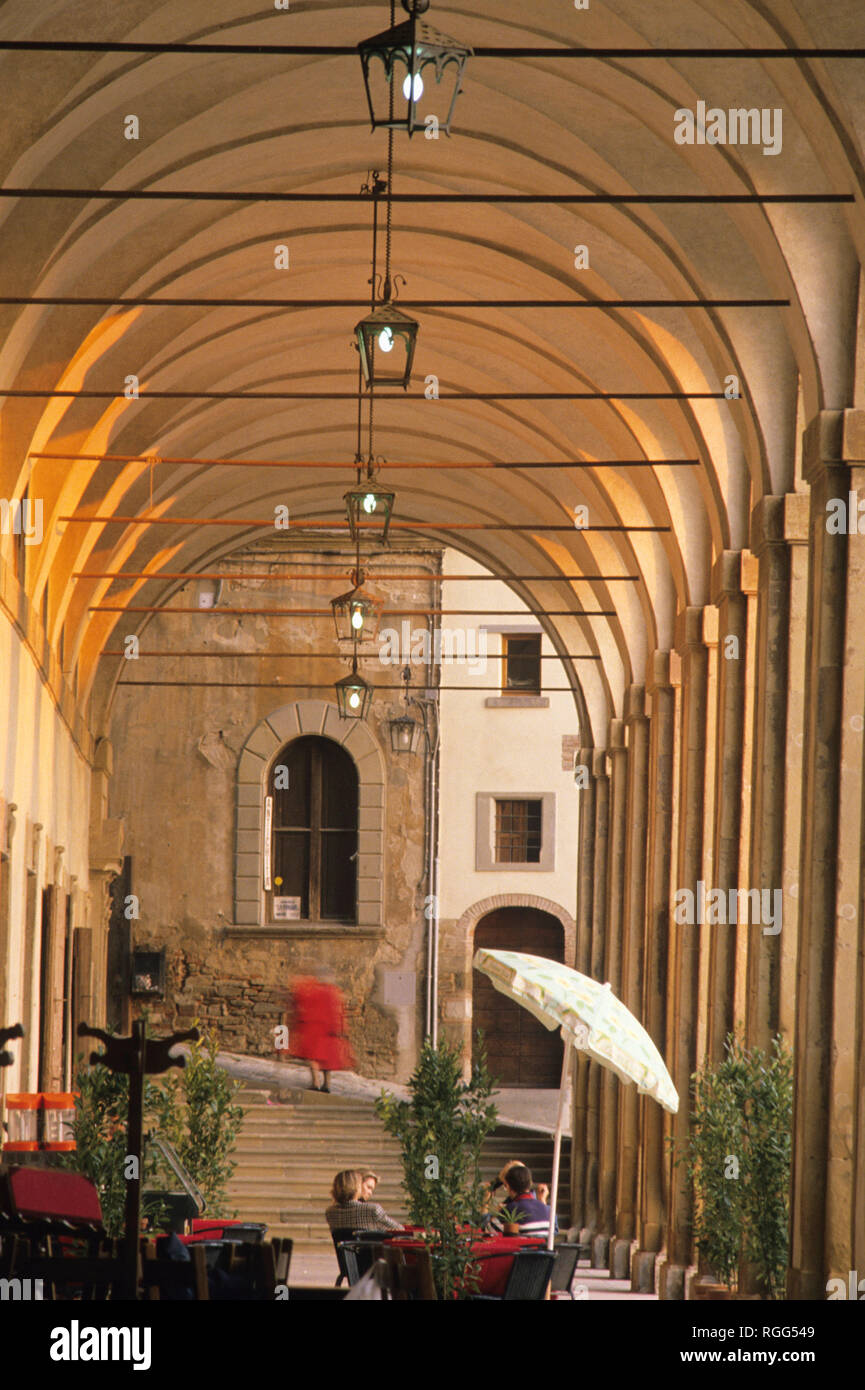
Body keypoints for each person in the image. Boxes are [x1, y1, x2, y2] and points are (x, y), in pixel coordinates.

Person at [287, 971, 355, 1092]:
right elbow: (339, 1011)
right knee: (327, 1060)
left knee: (313, 1058)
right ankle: (327, 1084)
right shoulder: (334, 992)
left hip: (314, 1029)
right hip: (330, 1030)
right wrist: (342, 1028)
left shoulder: (314, 992)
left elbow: (302, 1006)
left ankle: (315, 1082)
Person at [488, 1164, 556, 1240]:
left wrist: (488, 1205)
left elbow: (489, 1231)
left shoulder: (509, 1210)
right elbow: (554, 1231)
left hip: (522, 1251)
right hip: (544, 1251)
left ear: (508, 1186)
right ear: (530, 1183)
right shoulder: (548, 1210)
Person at [325, 1170, 404, 1234]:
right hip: (371, 1253)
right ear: (356, 1186)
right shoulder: (372, 1210)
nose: (370, 1192)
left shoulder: (330, 1212)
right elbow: (399, 1229)